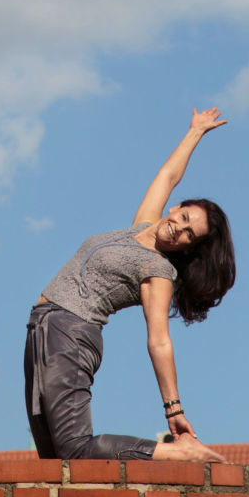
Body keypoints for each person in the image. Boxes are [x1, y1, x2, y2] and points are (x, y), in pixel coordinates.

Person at [24, 107, 235, 462]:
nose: (178, 229)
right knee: (53, 461)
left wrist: (173, 408)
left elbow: (159, 340)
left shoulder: (158, 271)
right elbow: (168, 176)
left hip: (72, 336)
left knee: (74, 448)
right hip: (41, 329)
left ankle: (176, 454)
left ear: (189, 247)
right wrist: (195, 132)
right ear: (175, 208)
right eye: (182, 218)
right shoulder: (141, 228)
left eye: (188, 234)